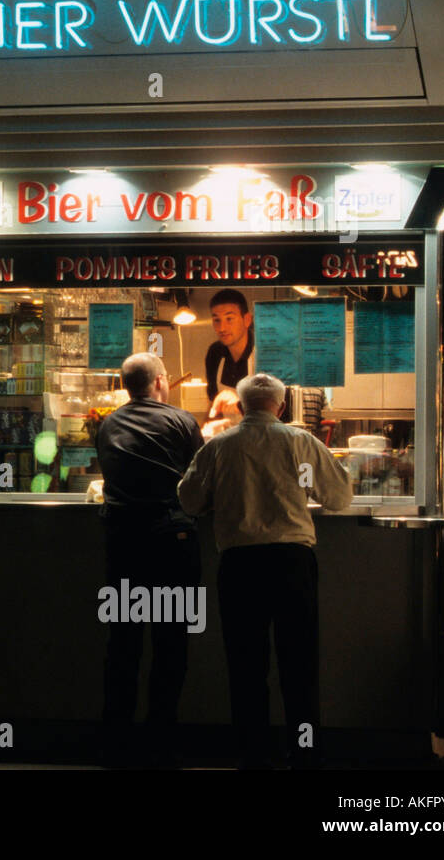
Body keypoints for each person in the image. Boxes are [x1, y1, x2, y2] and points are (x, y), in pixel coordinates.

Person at [177, 373, 352, 769]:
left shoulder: (219, 447)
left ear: (240, 406)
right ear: (283, 406)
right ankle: (305, 754)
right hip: (292, 563)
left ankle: (254, 755)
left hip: (240, 565)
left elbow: (189, 500)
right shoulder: (301, 441)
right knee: (299, 664)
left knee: (246, 665)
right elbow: (339, 497)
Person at [95, 353, 205, 767]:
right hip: (171, 541)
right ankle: (161, 738)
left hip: (122, 541)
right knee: (170, 642)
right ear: (161, 381)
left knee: (122, 641)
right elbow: (200, 475)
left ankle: (115, 739)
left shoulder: (107, 422)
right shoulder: (181, 421)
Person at [202, 289, 256, 440]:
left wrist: (240, 404)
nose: (222, 328)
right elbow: (214, 404)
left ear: (247, 320)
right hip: (227, 441)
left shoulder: (262, 352)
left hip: (261, 441)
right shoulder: (215, 353)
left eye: (229, 319)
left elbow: (275, 409)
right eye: (216, 320)